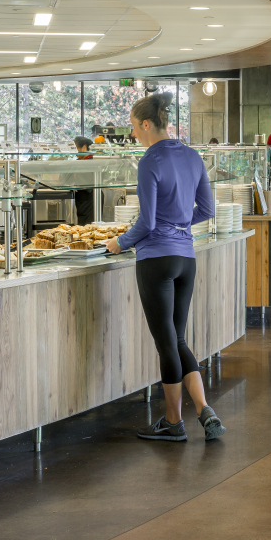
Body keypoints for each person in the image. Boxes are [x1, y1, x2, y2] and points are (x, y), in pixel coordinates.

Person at [103, 92, 224, 441]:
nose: (133, 135)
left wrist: (118, 243)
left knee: (166, 344)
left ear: (145, 124)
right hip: (186, 258)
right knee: (178, 337)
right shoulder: (192, 155)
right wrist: (181, 224)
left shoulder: (150, 160)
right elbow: (208, 210)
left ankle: (174, 422)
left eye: (132, 128)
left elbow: (147, 223)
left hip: (156, 259)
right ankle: (203, 409)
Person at [73, 135, 96, 224]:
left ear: (84, 147)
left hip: (90, 199)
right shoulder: (80, 161)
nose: (75, 153)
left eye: (76, 149)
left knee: (89, 227)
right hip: (83, 199)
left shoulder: (91, 161)